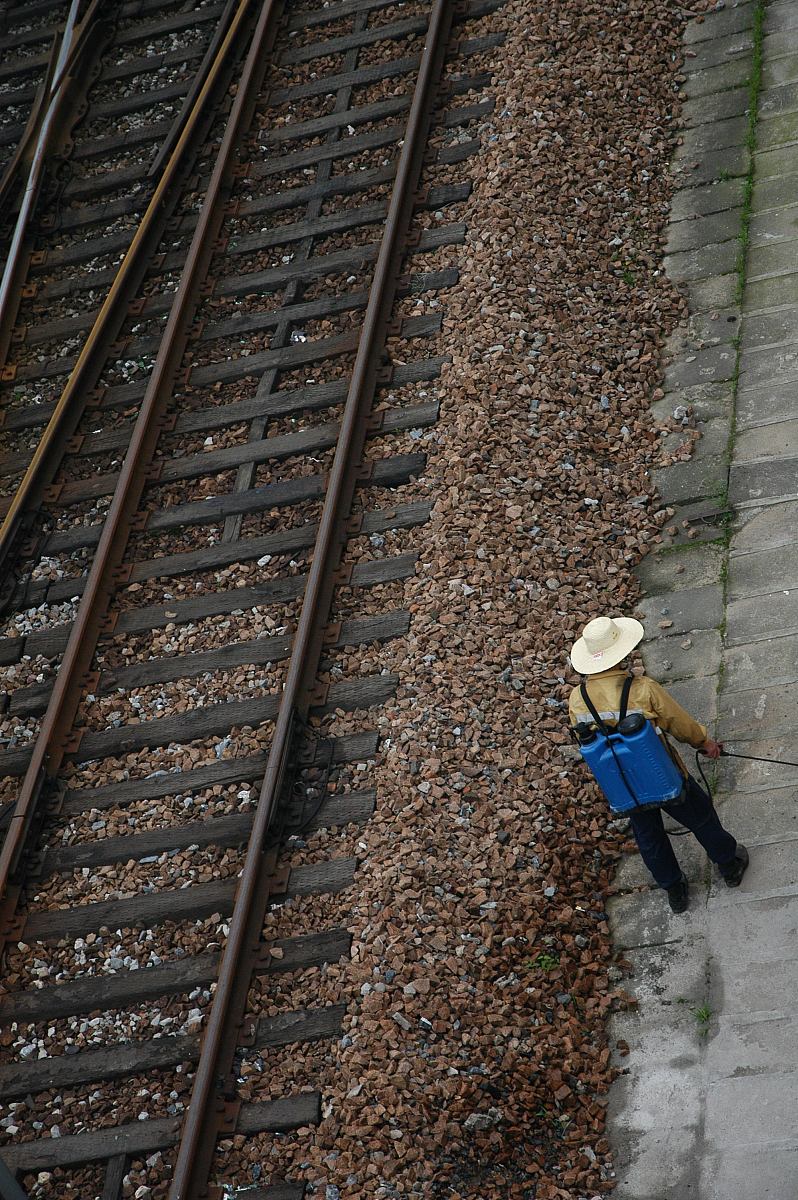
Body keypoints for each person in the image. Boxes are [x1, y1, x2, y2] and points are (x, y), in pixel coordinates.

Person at [568, 615, 748, 912]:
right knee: (700, 816)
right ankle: (730, 865)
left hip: (624, 783)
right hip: (661, 772)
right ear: (622, 653)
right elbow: (679, 723)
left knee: (648, 834)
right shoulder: (641, 689)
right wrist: (705, 743)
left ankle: (674, 890)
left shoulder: (578, 699)